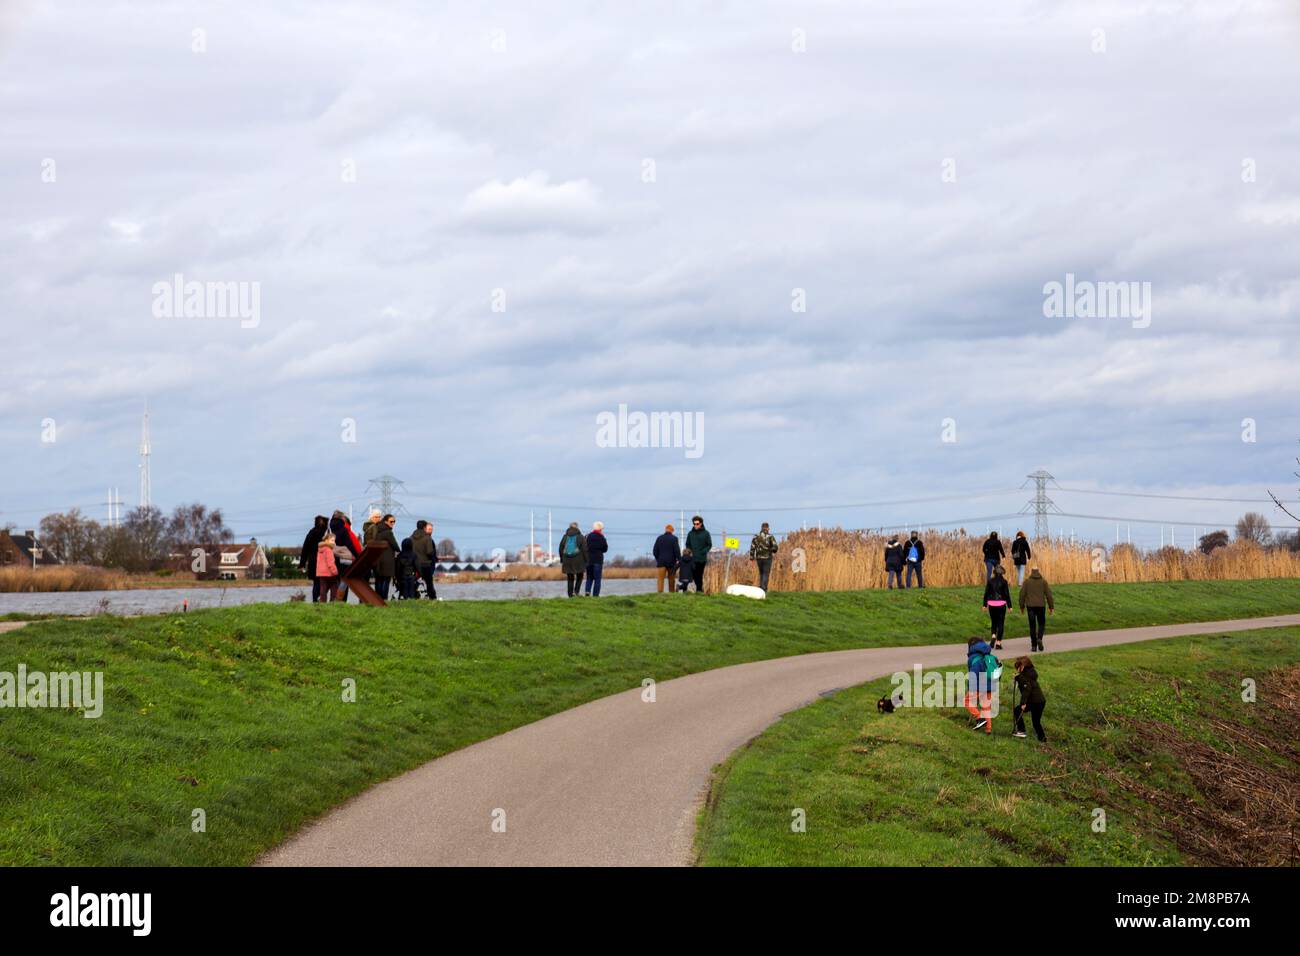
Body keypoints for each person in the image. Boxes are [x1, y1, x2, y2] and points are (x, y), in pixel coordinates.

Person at [964, 637, 999, 734]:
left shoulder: (973, 657)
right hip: (990, 683)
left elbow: (973, 673)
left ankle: (979, 718)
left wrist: (970, 687)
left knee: (967, 701)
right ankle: (988, 729)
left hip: (978, 683)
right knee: (986, 706)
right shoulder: (989, 655)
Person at [1018, 565, 1054, 651]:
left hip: (1030, 607)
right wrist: (1051, 607)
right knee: (1041, 624)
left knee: (1032, 626)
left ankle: (1034, 646)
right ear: (1038, 571)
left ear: (1031, 572)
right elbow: (1049, 595)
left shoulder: (1027, 582)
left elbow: (1022, 595)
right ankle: (1039, 638)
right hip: (1041, 606)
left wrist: (1022, 606)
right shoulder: (1043, 582)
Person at [329, 510, 362, 602]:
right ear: (341, 518)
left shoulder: (331, 529)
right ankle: (341, 600)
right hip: (345, 558)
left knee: (337, 581)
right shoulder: (343, 529)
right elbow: (349, 544)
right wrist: (356, 555)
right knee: (344, 580)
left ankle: (334, 600)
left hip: (334, 558)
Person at [1012, 656, 1047, 741]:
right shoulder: (1031, 672)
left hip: (1034, 701)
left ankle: (1021, 731)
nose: (1017, 669)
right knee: (1036, 722)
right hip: (1041, 701)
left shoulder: (1024, 676)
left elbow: (1027, 689)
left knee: (1017, 710)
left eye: (1018, 667)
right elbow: (1027, 681)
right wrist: (1017, 678)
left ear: (1022, 666)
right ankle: (1042, 739)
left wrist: (1023, 703)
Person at [298, 515, 329, 602]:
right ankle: (321, 600)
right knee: (324, 583)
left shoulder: (311, 533)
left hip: (313, 562)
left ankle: (315, 600)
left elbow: (305, 549)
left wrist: (302, 564)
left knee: (316, 582)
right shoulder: (326, 533)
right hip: (323, 561)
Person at [983, 564, 1011, 649]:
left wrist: (984, 605)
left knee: (994, 621)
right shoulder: (1004, 582)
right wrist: (1010, 606)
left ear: (994, 572)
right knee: (1001, 623)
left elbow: (986, 593)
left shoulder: (990, 581)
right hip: (1001, 604)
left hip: (992, 604)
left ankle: (993, 636)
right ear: (1002, 573)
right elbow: (1007, 594)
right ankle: (998, 643)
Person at [373, 513, 400, 600]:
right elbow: (395, 546)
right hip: (387, 560)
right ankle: (384, 599)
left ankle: (377, 599)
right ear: (385, 521)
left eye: (394, 521)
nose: (393, 523)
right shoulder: (388, 532)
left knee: (379, 580)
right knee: (386, 580)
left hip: (378, 559)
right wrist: (399, 550)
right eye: (391, 521)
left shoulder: (377, 530)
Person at [411, 519, 438, 600]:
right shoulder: (427, 538)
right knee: (429, 582)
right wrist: (433, 558)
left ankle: (413, 595)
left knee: (414, 581)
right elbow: (429, 552)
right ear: (424, 527)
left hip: (414, 564)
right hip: (425, 564)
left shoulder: (411, 537)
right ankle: (432, 597)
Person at [559, 521, 588, 597]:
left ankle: (570, 595)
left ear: (569, 527)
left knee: (570, 578)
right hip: (578, 560)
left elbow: (560, 548)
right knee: (580, 576)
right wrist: (586, 560)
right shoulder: (581, 537)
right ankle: (576, 592)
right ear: (577, 527)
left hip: (567, 560)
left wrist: (562, 559)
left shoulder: (565, 537)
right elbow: (585, 549)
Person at [684, 516, 712, 593]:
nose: (695, 525)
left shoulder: (706, 533)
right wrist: (689, 552)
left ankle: (699, 590)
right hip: (692, 558)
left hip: (701, 559)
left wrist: (703, 551)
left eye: (697, 524)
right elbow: (687, 544)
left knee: (699, 574)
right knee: (693, 575)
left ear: (701, 523)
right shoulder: (690, 534)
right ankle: (698, 589)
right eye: (694, 524)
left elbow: (709, 545)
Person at [748, 522, 779, 592]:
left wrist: (752, 558)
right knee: (766, 573)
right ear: (767, 528)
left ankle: (761, 587)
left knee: (761, 573)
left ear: (761, 528)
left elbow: (752, 547)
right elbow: (775, 547)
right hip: (767, 558)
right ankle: (763, 589)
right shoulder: (770, 536)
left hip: (759, 558)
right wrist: (771, 550)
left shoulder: (756, 536)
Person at [653, 524, 680, 593]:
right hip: (671, 562)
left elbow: (655, 551)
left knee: (660, 579)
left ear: (665, 530)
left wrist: (658, 559)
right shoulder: (674, 539)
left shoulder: (659, 538)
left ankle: (660, 593)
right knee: (671, 579)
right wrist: (679, 559)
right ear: (672, 531)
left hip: (661, 562)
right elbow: (677, 551)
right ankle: (671, 593)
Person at [584, 521, 609, 596]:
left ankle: (587, 592)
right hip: (598, 560)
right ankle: (595, 595)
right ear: (600, 529)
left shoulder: (587, 536)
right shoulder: (601, 537)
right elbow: (605, 549)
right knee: (597, 579)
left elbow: (584, 547)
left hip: (589, 560)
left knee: (589, 578)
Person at [315, 533, 339, 602]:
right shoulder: (328, 550)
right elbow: (330, 563)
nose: (334, 542)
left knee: (323, 588)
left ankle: (322, 601)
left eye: (334, 540)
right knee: (334, 586)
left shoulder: (320, 549)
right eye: (332, 540)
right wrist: (335, 572)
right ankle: (332, 601)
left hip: (321, 573)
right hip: (329, 573)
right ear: (326, 541)